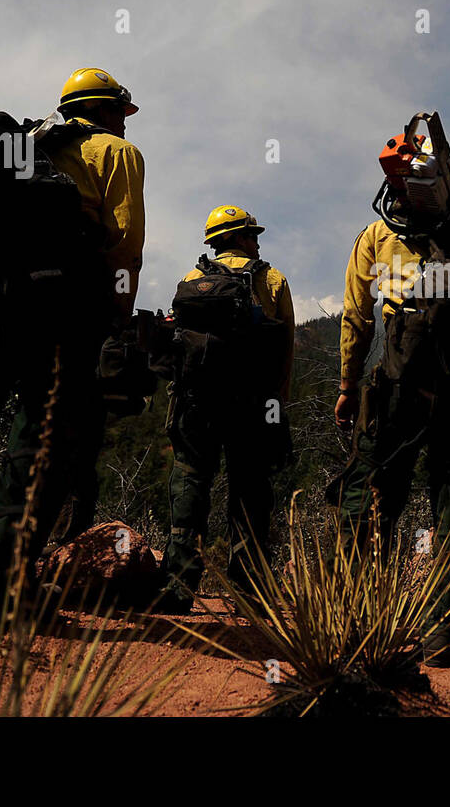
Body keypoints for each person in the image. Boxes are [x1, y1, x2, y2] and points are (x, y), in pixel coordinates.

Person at [331, 111, 450, 666]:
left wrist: (348, 382)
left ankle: (361, 618)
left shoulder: (373, 236)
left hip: (398, 380)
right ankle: (441, 628)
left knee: (373, 494)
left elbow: (355, 316)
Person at [0, 67, 145, 619]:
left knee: (12, 432)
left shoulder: (32, 147)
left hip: (2, 302)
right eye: (121, 113)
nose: (124, 124)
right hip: (68, 312)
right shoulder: (116, 153)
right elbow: (124, 242)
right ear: (106, 110)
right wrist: (118, 314)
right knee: (48, 445)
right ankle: (4, 592)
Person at [154, 206, 295, 613]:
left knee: (190, 484)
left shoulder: (193, 280)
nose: (256, 240)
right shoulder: (272, 280)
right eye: (252, 234)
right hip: (252, 402)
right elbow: (284, 351)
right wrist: (276, 404)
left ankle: (178, 586)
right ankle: (247, 592)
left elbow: (180, 345)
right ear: (240, 237)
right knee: (250, 489)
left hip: (197, 401)